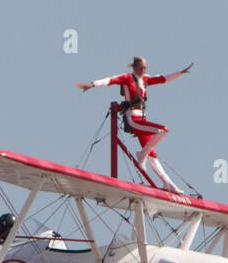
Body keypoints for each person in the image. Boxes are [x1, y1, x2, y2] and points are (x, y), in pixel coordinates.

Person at [78, 56, 193, 192]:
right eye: (141, 68)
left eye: (145, 68)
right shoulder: (127, 78)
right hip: (133, 119)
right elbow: (110, 80)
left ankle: (167, 183)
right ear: (134, 67)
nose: (143, 70)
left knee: (152, 154)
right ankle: (141, 154)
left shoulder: (145, 80)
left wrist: (180, 72)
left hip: (142, 120)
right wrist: (91, 85)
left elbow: (163, 79)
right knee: (163, 130)